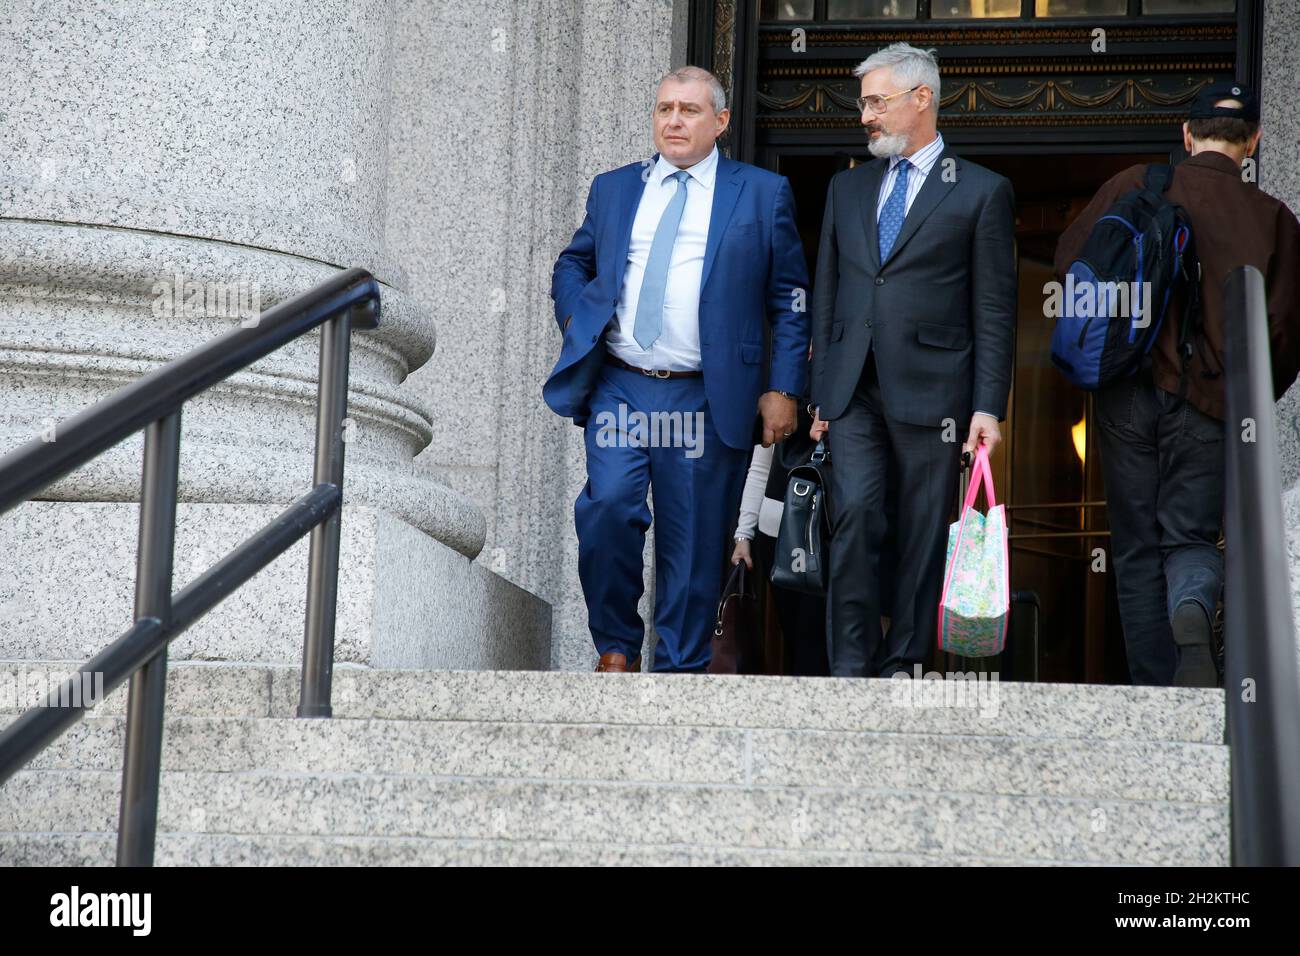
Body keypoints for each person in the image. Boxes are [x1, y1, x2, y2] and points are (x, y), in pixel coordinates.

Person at [544, 66, 811, 673]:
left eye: (689, 110)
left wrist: (783, 387)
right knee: (609, 508)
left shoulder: (762, 194)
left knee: (692, 540)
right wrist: (578, 320)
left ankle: (680, 665)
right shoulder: (615, 189)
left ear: (720, 121)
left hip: (706, 396)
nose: (673, 120)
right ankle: (615, 647)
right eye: (664, 108)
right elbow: (573, 263)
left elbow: (790, 297)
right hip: (622, 385)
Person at [1053, 81, 1300, 687]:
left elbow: (1068, 264)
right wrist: (1241, 399)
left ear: (1186, 136)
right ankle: (1191, 611)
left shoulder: (1134, 185)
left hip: (1124, 395)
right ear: (1254, 142)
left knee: (1134, 545)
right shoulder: (1271, 217)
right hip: (1210, 405)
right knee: (1188, 537)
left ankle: (1154, 689)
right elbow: (1286, 330)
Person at [809, 42, 1016, 678]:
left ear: (920, 98)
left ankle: (904, 660)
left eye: (877, 101)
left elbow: (994, 309)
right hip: (852, 389)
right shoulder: (847, 186)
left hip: (936, 391)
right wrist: (818, 391)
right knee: (855, 515)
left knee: (926, 530)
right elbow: (826, 294)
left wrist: (987, 405)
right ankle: (849, 664)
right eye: (864, 102)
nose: (865, 115)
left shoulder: (982, 191)